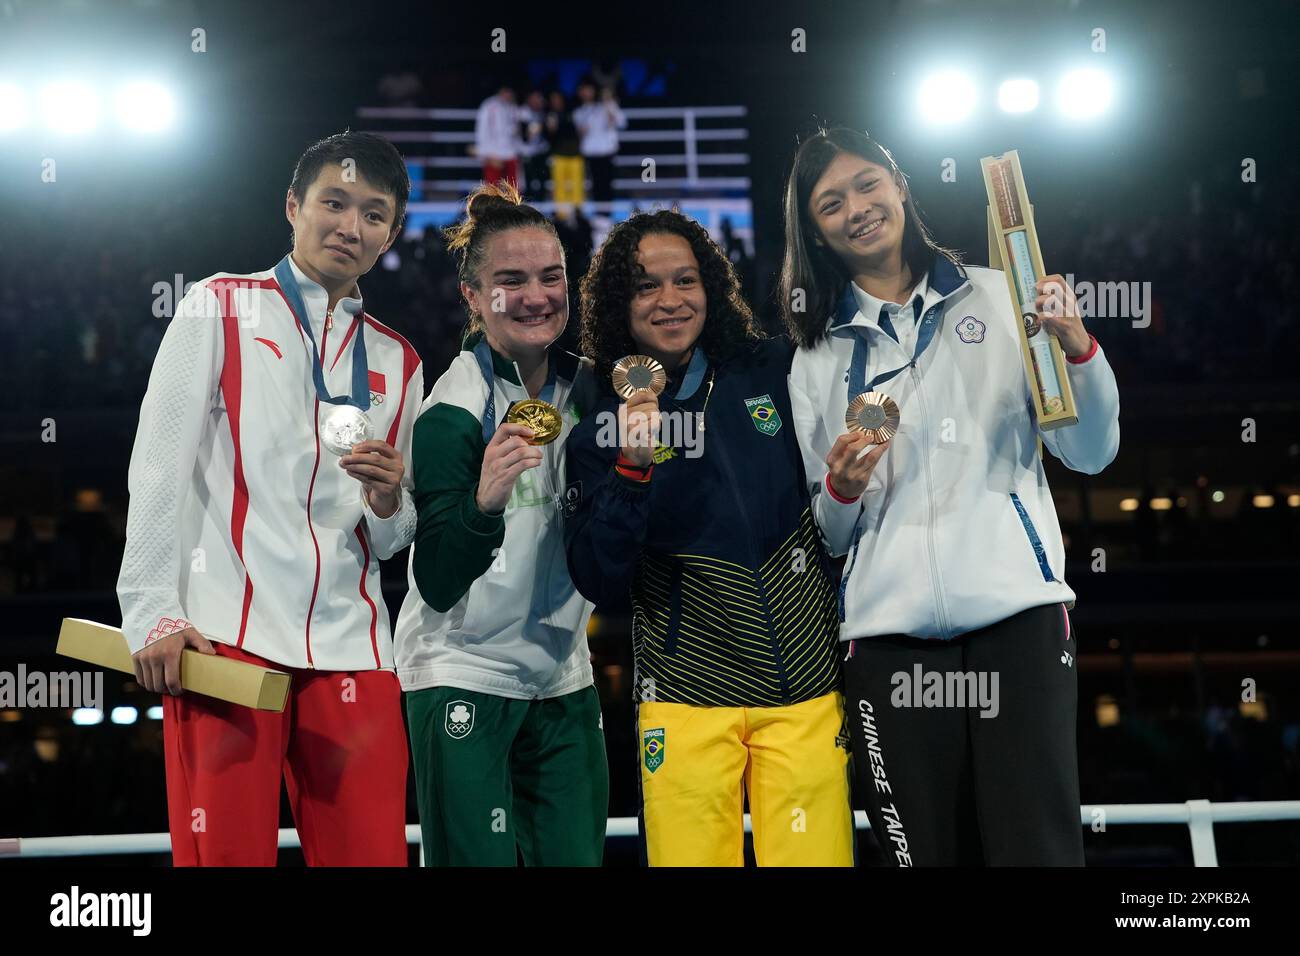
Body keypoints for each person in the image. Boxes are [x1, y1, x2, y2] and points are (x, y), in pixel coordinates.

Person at [779, 126, 1120, 865]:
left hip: (1017, 623)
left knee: (1037, 851)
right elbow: (831, 534)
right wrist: (841, 487)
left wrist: (1079, 351)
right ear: (815, 229)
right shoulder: (814, 358)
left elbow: (1088, 451)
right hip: (888, 639)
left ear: (900, 185)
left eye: (869, 184)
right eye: (831, 202)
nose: (857, 208)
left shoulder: (1005, 299)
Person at [116, 131, 423, 866]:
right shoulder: (216, 306)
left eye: (374, 214)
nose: (351, 226)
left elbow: (395, 535)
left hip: (354, 649)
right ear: (293, 206)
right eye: (334, 203)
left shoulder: (398, 357)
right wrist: (151, 609)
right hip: (227, 635)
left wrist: (389, 502)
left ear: (392, 232)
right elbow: (158, 464)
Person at [565, 210, 854, 867]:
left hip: (806, 692)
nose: (669, 299)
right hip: (686, 700)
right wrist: (632, 471)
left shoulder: (775, 372)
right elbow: (599, 579)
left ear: (712, 287)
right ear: (620, 304)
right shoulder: (598, 429)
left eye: (685, 280)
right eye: (645, 286)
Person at [393, 182, 608, 867]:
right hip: (462, 671)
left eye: (551, 277)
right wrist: (484, 504)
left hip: (562, 674)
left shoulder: (594, 390)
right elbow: (435, 578)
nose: (537, 296)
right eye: (510, 281)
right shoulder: (450, 411)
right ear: (474, 297)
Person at [573, 81, 626, 204]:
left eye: (589, 90)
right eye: (583, 90)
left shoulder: (608, 105)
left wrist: (608, 103)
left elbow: (621, 123)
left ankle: (607, 213)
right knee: (595, 183)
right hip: (591, 152)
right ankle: (599, 214)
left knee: (607, 183)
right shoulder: (579, 111)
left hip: (607, 151)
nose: (586, 93)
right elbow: (580, 132)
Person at [474, 85, 520, 189]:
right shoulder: (489, 106)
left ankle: (512, 205)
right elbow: (481, 131)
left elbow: (515, 132)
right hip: (493, 153)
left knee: (513, 189)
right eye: (506, 92)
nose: (508, 95)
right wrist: (485, 154)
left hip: (510, 153)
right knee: (492, 189)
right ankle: (492, 206)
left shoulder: (513, 107)